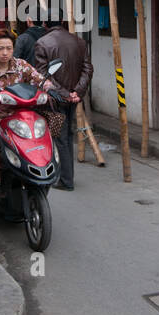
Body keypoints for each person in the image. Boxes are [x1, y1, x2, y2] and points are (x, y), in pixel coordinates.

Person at [0, 29, 64, 188]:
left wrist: (50, 88)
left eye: (9, 48)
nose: (5, 53)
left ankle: (42, 162)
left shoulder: (21, 65)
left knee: (49, 121)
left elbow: (38, 78)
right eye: (0, 48)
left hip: (22, 111)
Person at [31, 21, 92, 190]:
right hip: (71, 98)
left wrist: (65, 94)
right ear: (64, 22)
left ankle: (66, 180)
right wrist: (76, 92)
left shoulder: (42, 43)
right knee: (66, 136)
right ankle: (66, 176)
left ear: (44, 24)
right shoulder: (79, 41)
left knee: (61, 137)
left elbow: (42, 75)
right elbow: (88, 69)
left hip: (55, 99)